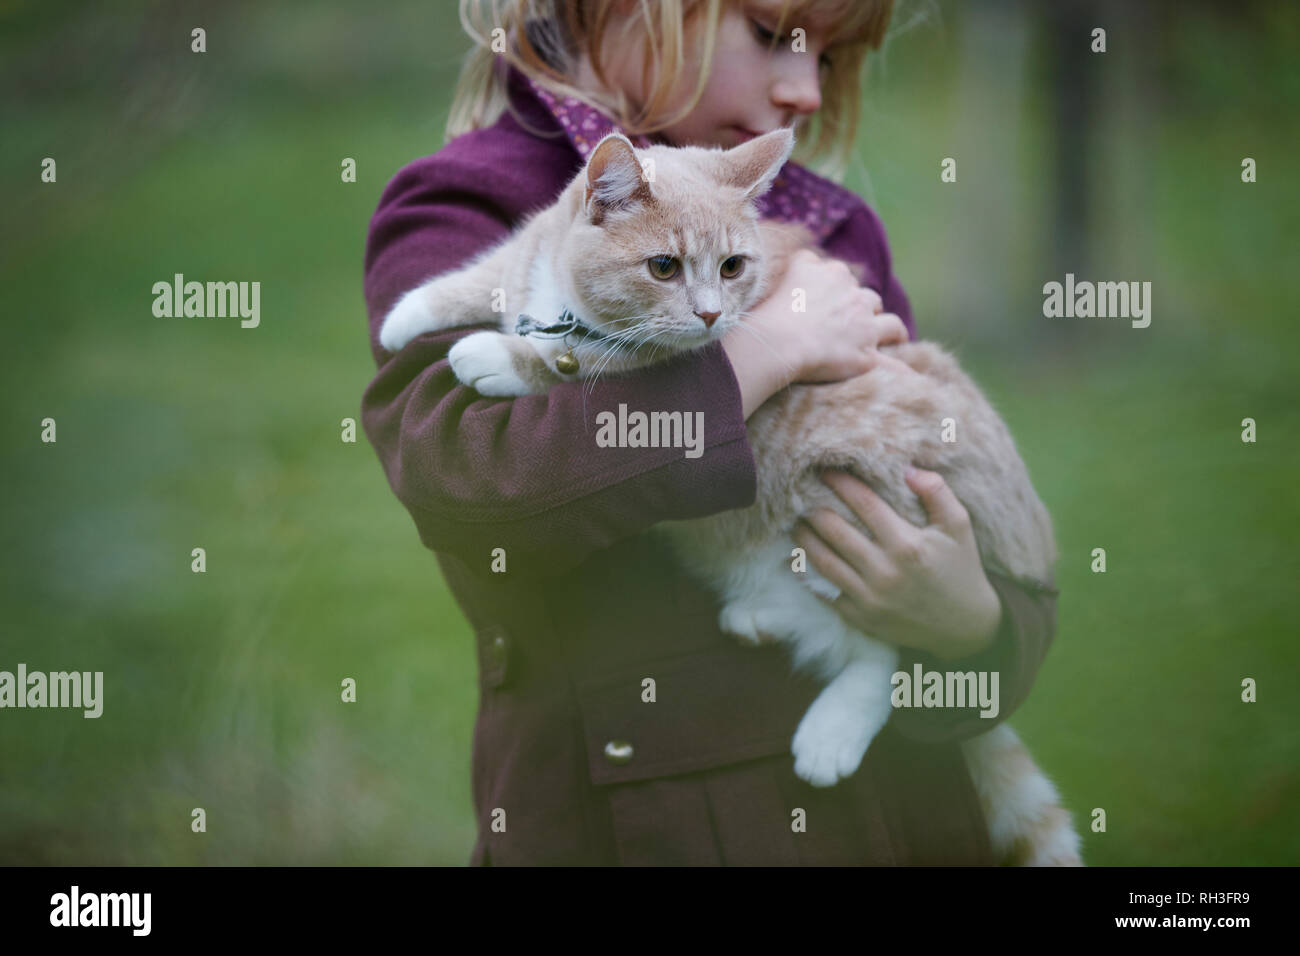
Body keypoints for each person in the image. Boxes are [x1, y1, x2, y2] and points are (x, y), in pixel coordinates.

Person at [361, 0, 1059, 865]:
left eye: (832, 62)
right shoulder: (471, 197)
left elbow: (979, 529)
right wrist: (764, 353)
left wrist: (972, 628)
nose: (805, 89)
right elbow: (464, 479)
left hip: (901, 818)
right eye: (774, 36)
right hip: (646, 825)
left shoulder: (830, 222)